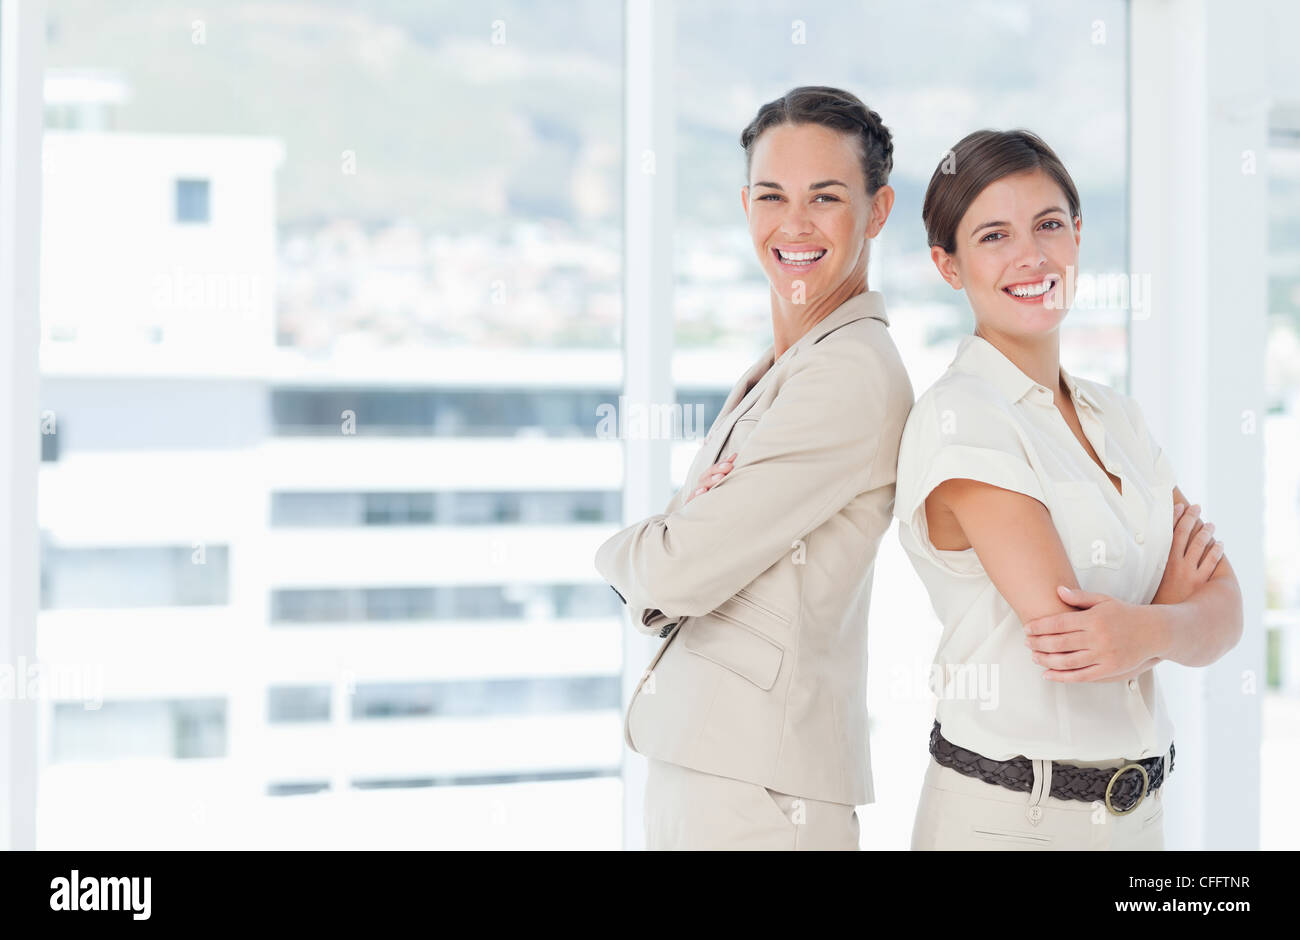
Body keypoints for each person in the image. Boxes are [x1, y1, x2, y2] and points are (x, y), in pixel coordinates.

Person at [894, 129, 1244, 850]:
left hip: (1138, 816)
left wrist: (1145, 628)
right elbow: (1076, 649)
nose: (1032, 256)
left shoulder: (1117, 415)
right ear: (948, 265)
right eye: (994, 235)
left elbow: (1229, 612)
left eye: (1049, 225)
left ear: (1078, 236)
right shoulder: (964, 421)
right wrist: (1175, 617)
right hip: (1010, 821)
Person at [594, 86, 914, 850]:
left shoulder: (848, 374)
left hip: (762, 796)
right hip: (726, 777)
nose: (793, 224)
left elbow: (675, 572)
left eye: (826, 197)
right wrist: (680, 546)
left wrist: (621, 553)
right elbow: (690, 563)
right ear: (745, 206)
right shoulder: (791, 365)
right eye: (772, 195)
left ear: (877, 212)